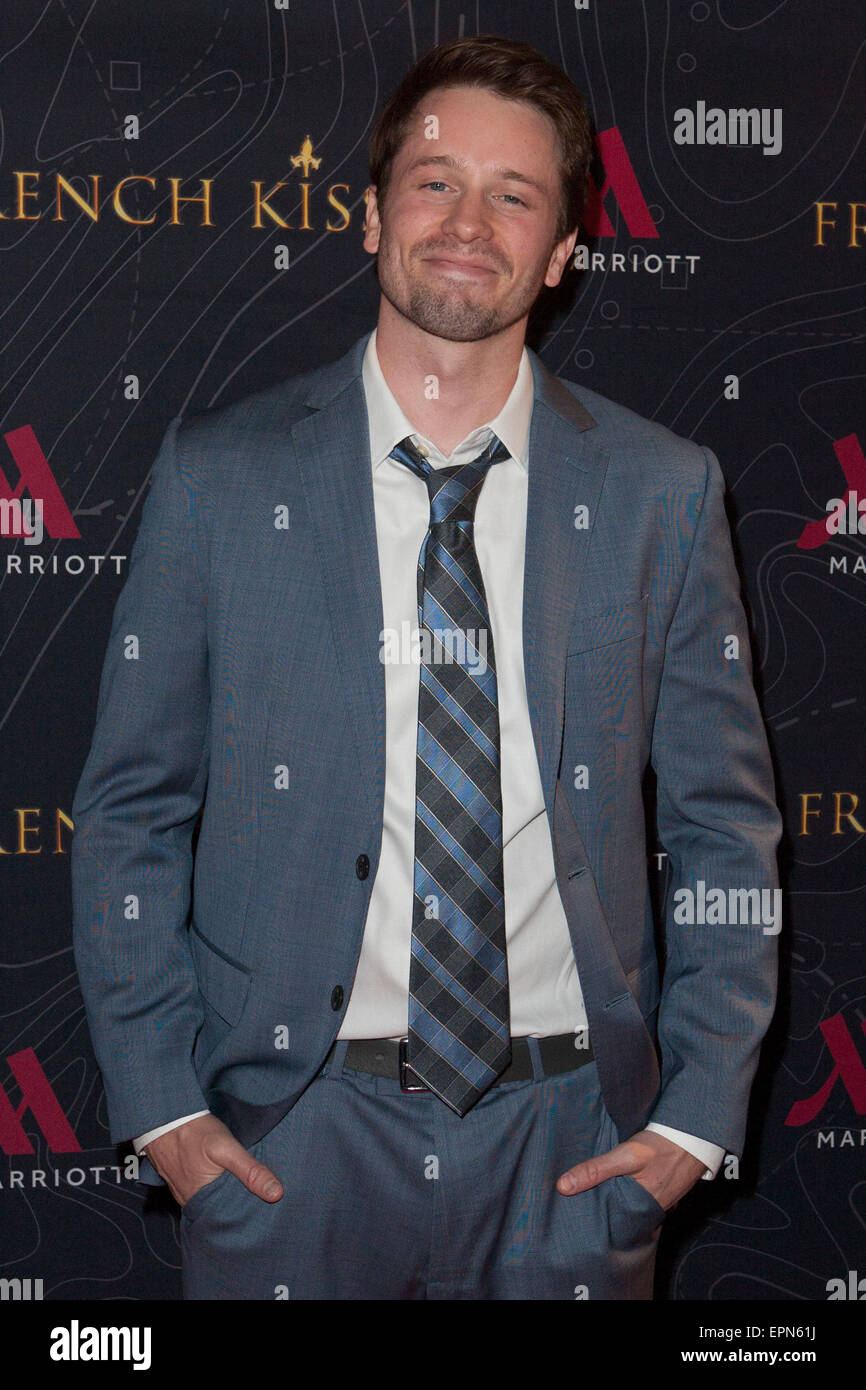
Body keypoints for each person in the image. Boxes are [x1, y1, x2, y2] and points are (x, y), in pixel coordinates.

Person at [71, 35, 782, 1300]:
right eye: (435, 180)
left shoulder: (660, 494)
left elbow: (724, 828)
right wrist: (163, 1108)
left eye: (517, 195)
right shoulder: (221, 478)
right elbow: (130, 810)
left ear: (562, 250)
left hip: (570, 1140)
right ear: (367, 216)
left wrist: (690, 1121)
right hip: (293, 1140)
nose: (469, 220)